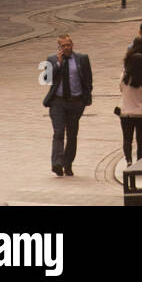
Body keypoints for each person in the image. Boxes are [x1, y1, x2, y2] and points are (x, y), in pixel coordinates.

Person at [43, 33, 93, 178]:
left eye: (68, 45)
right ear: (58, 47)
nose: (66, 48)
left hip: (76, 101)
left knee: (72, 134)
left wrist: (85, 97)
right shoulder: (51, 59)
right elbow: (46, 79)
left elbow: (88, 79)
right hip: (58, 101)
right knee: (58, 133)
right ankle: (57, 164)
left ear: (72, 45)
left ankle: (68, 163)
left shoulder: (82, 59)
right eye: (63, 46)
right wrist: (58, 64)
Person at [119, 51, 142, 165]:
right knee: (141, 139)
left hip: (126, 112)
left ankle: (128, 160)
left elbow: (121, 89)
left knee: (127, 139)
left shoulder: (124, 77)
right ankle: (139, 161)